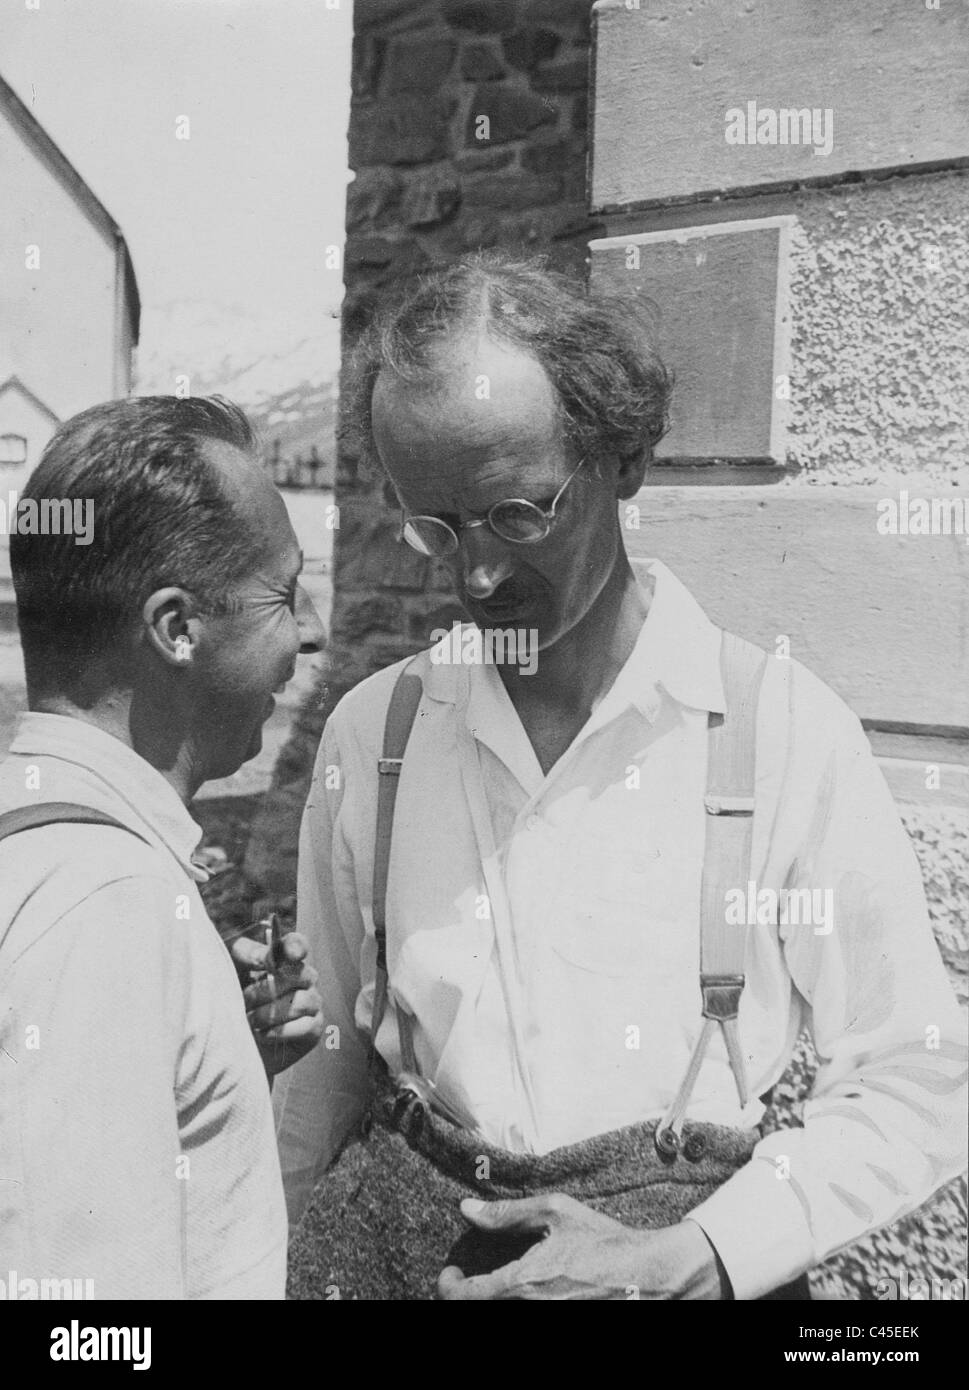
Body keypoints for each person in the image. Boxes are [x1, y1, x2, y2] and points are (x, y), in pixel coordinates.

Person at [274, 255, 967, 1301]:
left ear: (621, 460)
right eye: (435, 526)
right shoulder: (376, 735)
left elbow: (920, 1074)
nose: (475, 575)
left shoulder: (780, 732)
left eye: (519, 513)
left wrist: (694, 1256)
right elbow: (334, 1059)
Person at [0, 397, 326, 1299]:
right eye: (282, 596)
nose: (309, 634)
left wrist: (207, 1074)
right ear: (177, 629)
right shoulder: (107, 907)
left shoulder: (33, 838)